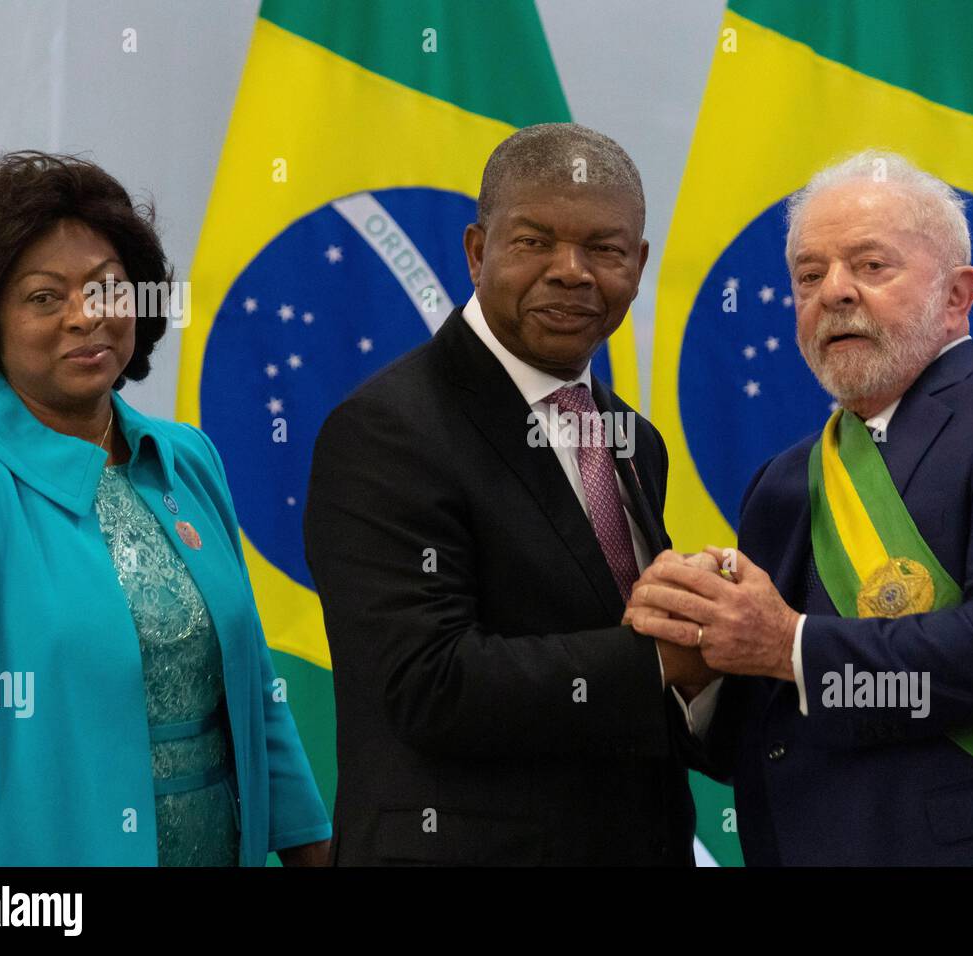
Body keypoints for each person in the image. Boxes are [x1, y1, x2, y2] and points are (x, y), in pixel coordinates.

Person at [626, 150, 973, 866]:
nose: (834, 292)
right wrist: (698, 667)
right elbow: (760, 740)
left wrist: (788, 645)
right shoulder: (782, 483)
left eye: (871, 266)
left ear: (957, 296)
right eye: (809, 276)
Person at [304, 123, 713, 865]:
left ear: (640, 264)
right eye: (534, 242)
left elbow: (619, 655)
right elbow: (428, 685)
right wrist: (660, 659)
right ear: (476, 251)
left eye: (605, 249)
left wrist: (716, 646)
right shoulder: (385, 432)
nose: (572, 272)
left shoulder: (631, 438)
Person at [0, 151, 331, 866]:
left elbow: (252, 685)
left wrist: (309, 846)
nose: (86, 317)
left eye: (107, 290)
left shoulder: (188, 457)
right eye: (45, 297)